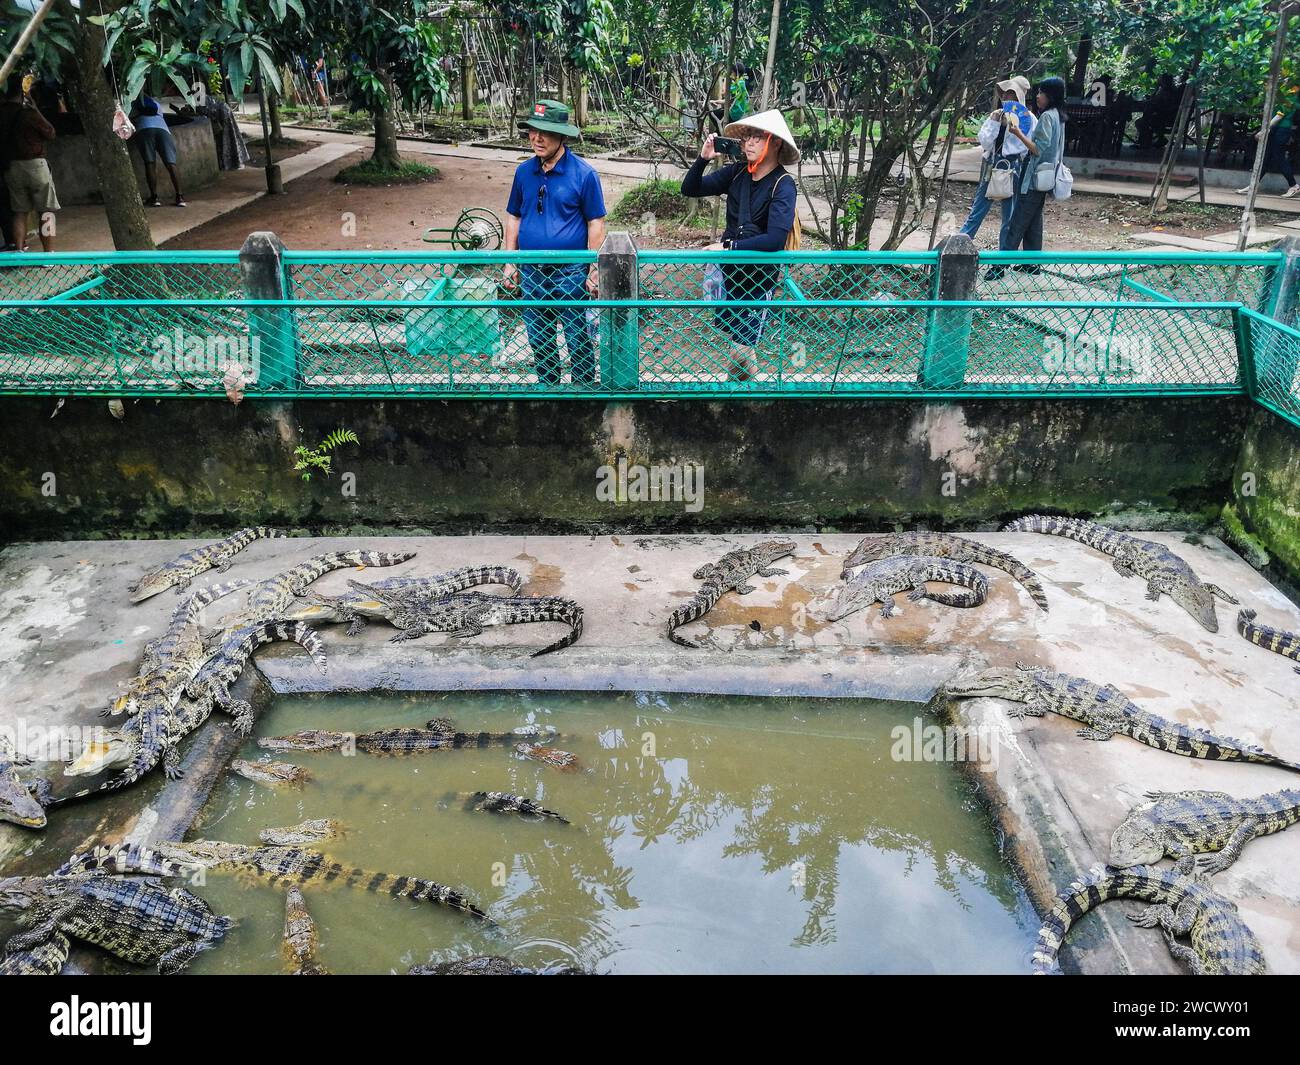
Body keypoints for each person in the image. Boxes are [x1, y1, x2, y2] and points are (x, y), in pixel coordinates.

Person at [680, 108, 799, 381]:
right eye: (747, 138)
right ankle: (749, 397)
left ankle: (739, 399)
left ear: (775, 142)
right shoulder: (736, 173)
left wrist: (727, 248)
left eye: (757, 137)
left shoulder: (783, 185)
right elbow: (690, 189)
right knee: (741, 347)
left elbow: (774, 240)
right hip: (731, 275)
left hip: (759, 279)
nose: (749, 143)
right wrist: (702, 159)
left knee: (741, 349)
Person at [503, 99, 607, 386]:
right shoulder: (524, 172)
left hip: (571, 268)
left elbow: (595, 222)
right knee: (537, 331)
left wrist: (592, 268)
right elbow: (513, 216)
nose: (537, 138)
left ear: (562, 136)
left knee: (576, 330)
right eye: (533, 131)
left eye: (545, 132)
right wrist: (510, 261)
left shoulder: (584, 174)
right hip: (532, 268)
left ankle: (584, 386)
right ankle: (548, 386)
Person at [994, 76, 1067, 268]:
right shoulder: (1059, 116)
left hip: (1034, 177)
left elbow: (1037, 149)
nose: (1038, 96)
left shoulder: (1046, 117)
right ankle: (1032, 264)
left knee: (1017, 222)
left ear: (1051, 95)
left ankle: (999, 266)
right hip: (1046, 176)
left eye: (1042, 92)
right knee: (1034, 223)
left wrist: (1017, 133)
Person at [959, 75, 1034, 244]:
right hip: (991, 164)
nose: (1005, 97)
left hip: (1013, 168)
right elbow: (985, 142)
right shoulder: (996, 115)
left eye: (1010, 93)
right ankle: (958, 247)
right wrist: (994, 123)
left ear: (1018, 96)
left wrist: (1016, 132)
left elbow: (1029, 146)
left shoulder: (1028, 119)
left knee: (1009, 218)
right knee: (977, 211)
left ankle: (1000, 264)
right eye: (1005, 93)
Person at [0, 75, 59, 252]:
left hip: (12, 167)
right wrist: (36, 110)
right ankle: (48, 255)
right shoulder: (28, 113)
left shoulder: (1, 114)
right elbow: (50, 133)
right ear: (22, 91)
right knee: (46, 211)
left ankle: (19, 251)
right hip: (36, 166)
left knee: (19, 212)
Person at [1236, 88, 1300, 198]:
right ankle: (1253, 185)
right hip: (1278, 129)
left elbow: (1280, 115)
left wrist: (1264, 130)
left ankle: (1293, 185)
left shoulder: (1291, 96)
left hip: (1282, 130)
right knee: (1266, 157)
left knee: (1278, 157)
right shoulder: (1286, 94)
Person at [131, 94, 187, 207]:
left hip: (144, 128)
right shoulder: (155, 102)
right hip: (163, 130)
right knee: (171, 164)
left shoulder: (132, 102)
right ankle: (180, 197)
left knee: (150, 163)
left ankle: (154, 197)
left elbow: (129, 120)